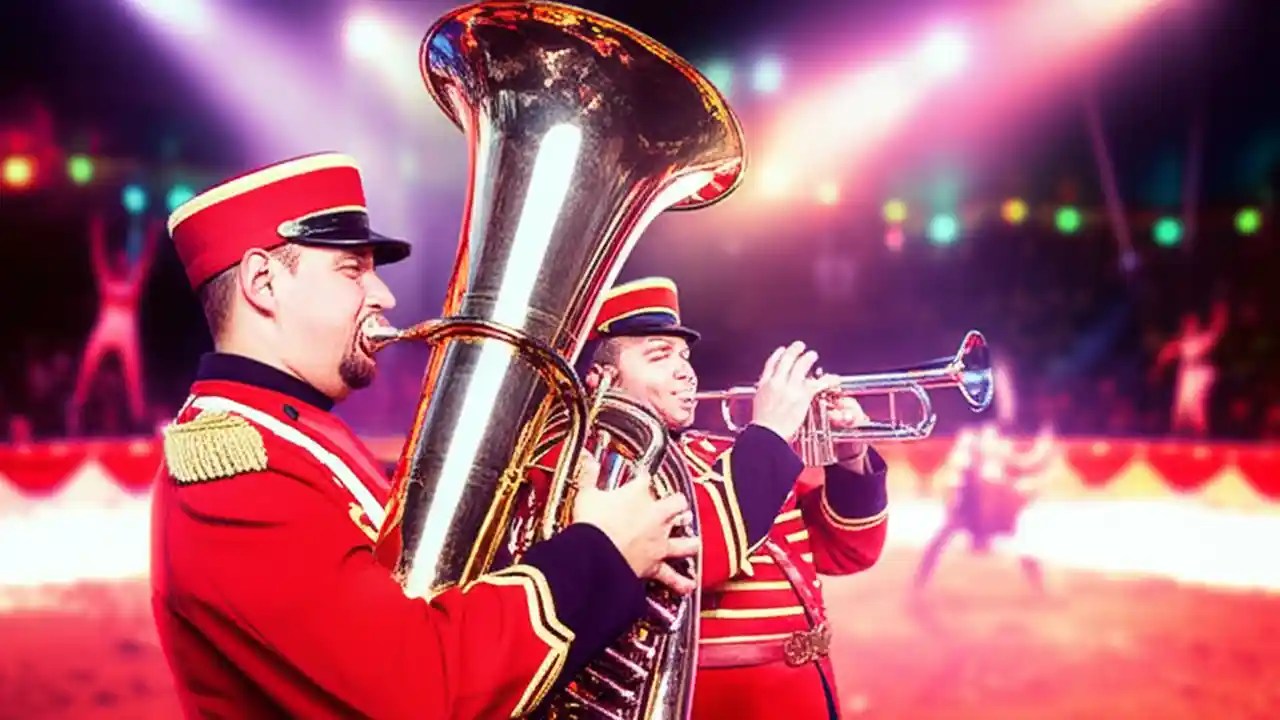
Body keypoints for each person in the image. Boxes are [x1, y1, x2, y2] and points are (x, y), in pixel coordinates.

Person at [150, 153, 698, 719]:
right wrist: (598, 554)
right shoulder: (236, 474)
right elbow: (415, 685)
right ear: (263, 282)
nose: (384, 297)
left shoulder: (297, 434)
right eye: (352, 270)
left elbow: (412, 600)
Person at [523, 277, 891, 720]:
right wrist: (770, 434)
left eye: (684, 356)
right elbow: (697, 556)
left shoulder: (719, 453)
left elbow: (848, 551)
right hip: (715, 704)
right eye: (660, 355)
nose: (686, 371)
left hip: (809, 695)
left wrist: (850, 456)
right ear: (600, 376)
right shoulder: (579, 463)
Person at [911, 421, 1056, 596]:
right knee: (943, 536)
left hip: (987, 499)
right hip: (971, 499)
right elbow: (963, 474)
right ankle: (919, 582)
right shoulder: (972, 441)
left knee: (1020, 541)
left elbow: (1016, 467)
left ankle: (1039, 587)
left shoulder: (992, 443)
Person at [67, 213, 159, 435]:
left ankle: (139, 416)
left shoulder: (132, 282)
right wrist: (96, 234)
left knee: (133, 374)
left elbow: (145, 262)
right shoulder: (107, 280)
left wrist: (152, 237)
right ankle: (76, 407)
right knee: (88, 365)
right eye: (117, 261)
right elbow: (97, 260)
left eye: (123, 261)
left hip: (126, 329)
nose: (120, 263)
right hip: (106, 326)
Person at [1152, 300, 1228, 437]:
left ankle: (1202, 437)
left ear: (1197, 324)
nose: (1189, 326)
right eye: (1187, 323)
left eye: (1192, 323)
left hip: (1198, 375)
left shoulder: (1202, 339)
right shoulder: (1183, 341)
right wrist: (1159, 366)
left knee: (1197, 409)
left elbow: (1217, 330)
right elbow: (1167, 352)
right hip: (1186, 375)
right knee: (1182, 410)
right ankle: (1178, 436)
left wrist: (1220, 313)